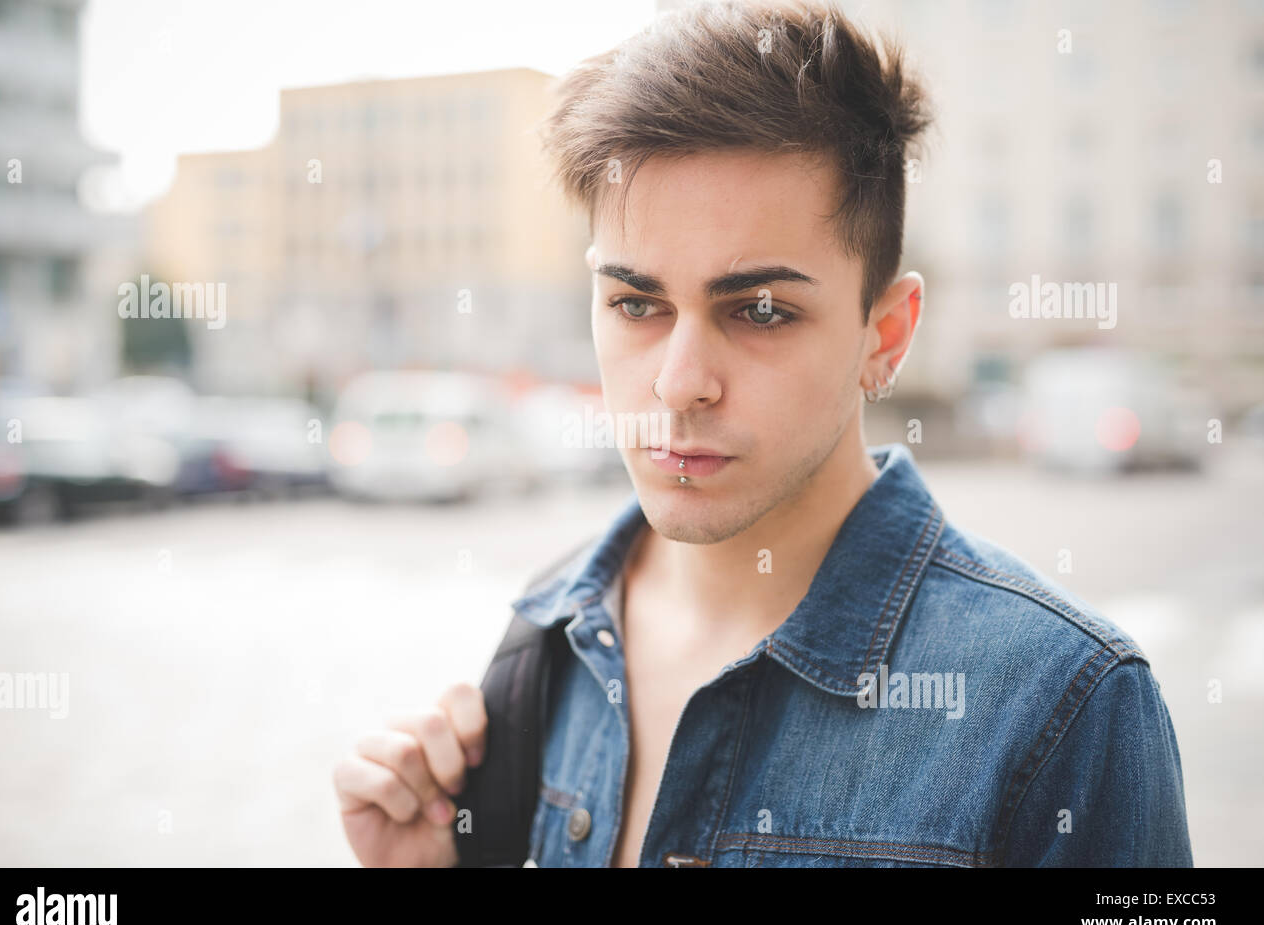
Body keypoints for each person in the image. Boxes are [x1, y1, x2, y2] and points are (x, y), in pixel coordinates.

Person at [332, 0, 1193, 868]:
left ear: (884, 336)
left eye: (762, 310)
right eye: (636, 303)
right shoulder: (550, 639)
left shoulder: (1067, 705)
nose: (678, 382)